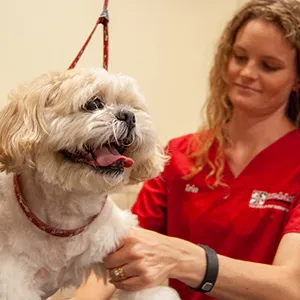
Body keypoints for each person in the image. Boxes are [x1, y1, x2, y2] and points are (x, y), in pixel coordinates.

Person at [62, 0, 300, 299]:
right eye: (239, 57)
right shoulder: (180, 154)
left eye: (269, 66)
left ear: (297, 79)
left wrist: (186, 260)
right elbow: (122, 254)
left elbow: (292, 286)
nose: (247, 73)